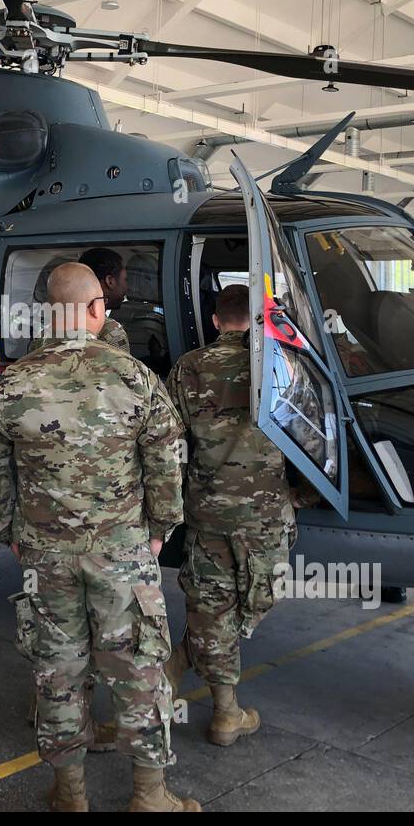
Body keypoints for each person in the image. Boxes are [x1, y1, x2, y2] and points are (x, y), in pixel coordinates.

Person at [0, 262, 196, 813]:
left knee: (58, 671)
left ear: (49, 311)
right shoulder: (135, 378)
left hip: (45, 555)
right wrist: (161, 528)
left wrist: (8, 531)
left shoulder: (13, 383)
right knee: (139, 668)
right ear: (97, 310)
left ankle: (70, 792)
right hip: (123, 550)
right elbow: (167, 456)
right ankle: (149, 794)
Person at [163, 285, 295, 746]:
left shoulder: (188, 367)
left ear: (216, 321)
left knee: (211, 606)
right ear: (260, 319)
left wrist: (168, 506)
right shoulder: (281, 364)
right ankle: (224, 711)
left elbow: (168, 444)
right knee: (253, 599)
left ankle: (202, 678)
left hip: (209, 510)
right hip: (267, 514)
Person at [27, 247, 129, 353]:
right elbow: (122, 367)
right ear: (110, 281)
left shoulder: (42, 335)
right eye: (126, 279)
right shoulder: (112, 330)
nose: (127, 287)